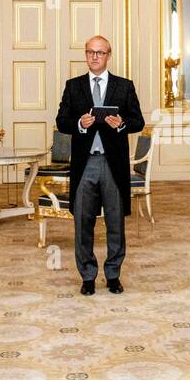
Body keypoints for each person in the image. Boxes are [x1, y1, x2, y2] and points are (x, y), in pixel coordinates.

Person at [55, 35, 144, 295]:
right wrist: (79, 124)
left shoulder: (124, 86)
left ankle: (113, 275)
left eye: (100, 52)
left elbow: (137, 120)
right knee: (83, 223)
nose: (95, 56)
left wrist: (123, 124)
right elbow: (61, 120)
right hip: (85, 165)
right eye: (91, 52)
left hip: (112, 165)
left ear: (108, 56)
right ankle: (88, 276)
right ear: (86, 55)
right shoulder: (73, 86)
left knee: (115, 223)